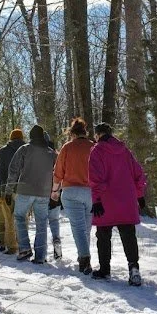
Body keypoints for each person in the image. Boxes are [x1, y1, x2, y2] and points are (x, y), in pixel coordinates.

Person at [88, 122, 147, 286]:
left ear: (98, 135)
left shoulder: (97, 151)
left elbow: (95, 178)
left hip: (106, 201)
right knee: (129, 235)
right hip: (126, 200)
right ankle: (134, 269)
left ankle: (104, 270)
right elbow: (139, 174)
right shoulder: (125, 151)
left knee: (103, 235)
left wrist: (96, 199)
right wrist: (140, 195)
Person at [7, 124, 57, 264]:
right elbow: (57, 173)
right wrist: (54, 192)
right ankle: (40, 256)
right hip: (43, 192)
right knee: (41, 222)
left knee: (19, 216)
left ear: (31, 136)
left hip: (25, 190)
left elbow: (13, 170)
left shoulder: (24, 149)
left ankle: (24, 248)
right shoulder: (51, 153)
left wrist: (9, 190)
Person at [52, 117, 95, 274]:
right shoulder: (93, 147)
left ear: (73, 134)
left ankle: (84, 259)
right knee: (86, 228)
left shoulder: (67, 147)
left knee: (78, 227)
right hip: (90, 192)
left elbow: (58, 172)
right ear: (85, 132)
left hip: (71, 192)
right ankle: (83, 256)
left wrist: (55, 191)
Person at [0, 129, 25, 254]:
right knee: (23, 219)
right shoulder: (28, 150)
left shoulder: (3, 151)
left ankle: (11, 247)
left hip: (7, 190)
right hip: (24, 190)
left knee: (9, 219)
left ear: (11, 138)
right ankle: (23, 245)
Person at [44, 131, 63, 260]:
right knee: (54, 220)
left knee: (41, 222)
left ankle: (42, 251)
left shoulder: (35, 154)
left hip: (40, 192)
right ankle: (56, 242)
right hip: (55, 192)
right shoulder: (56, 155)